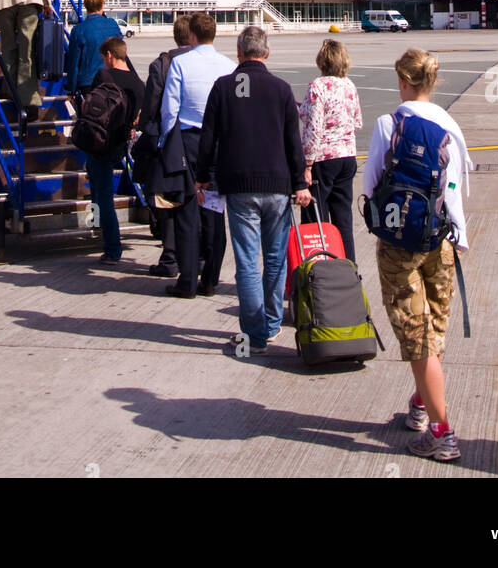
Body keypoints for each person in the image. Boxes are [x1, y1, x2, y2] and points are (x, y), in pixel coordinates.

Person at [362, 49, 472, 462]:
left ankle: (442, 434)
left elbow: (373, 181)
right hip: (442, 241)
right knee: (434, 328)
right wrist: (458, 236)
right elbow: (457, 188)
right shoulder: (449, 124)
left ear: (403, 81)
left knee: (416, 333)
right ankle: (423, 403)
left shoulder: (389, 123)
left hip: (399, 245)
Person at [197, 25, 311, 353]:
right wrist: (300, 182)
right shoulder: (281, 89)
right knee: (275, 258)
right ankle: (272, 325)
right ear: (267, 52)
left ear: (238, 53)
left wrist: (202, 176)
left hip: (240, 184)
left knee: (247, 261)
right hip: (277, 185)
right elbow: (294, 143)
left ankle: (254, 334)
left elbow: (208, 138)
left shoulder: (222, 87)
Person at [159, 12, 233, 298]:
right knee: (215, 211)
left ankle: (187, 280)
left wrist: (166, 142)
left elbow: (170, 108)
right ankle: (210, 279)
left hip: (189, 140)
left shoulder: (180, 63)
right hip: (217, 144)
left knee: (187, 213)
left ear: (191, 35)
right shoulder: (228, 66)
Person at [137, 15, 193, 278]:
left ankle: (170, 257)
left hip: (167, 139)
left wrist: (145, 129)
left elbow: (151, 105)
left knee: (165, 198)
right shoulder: (199, 62)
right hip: (194, 139)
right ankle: (196, 256)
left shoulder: (162, 64)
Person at [81, 37, 145, 265]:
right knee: (101, 189)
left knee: (102, 193)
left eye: (103, 57)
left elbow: (91, 105)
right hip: (120, 144)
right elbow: (137, 118)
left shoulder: (104, 77)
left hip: (99, 141)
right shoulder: (138, 84)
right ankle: (98, 226)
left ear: (109, 55)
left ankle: (112, 247)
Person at [298, 38, 362, 260]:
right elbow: (357, 121)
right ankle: (349, 267)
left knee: (316, 216)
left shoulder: (317, 86)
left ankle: (320, 267)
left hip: (324, 158)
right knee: (343, 217)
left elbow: (314, 129)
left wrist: (307, 164)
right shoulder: (349, 85)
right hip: (347, 155)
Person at [66, 0, 123, 95]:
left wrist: (71, 90)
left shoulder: (78, 30)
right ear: (102, 5)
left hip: (88, 83)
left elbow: (73, 64)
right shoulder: (112, 25)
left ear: (86, 6)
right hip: (111, 81)